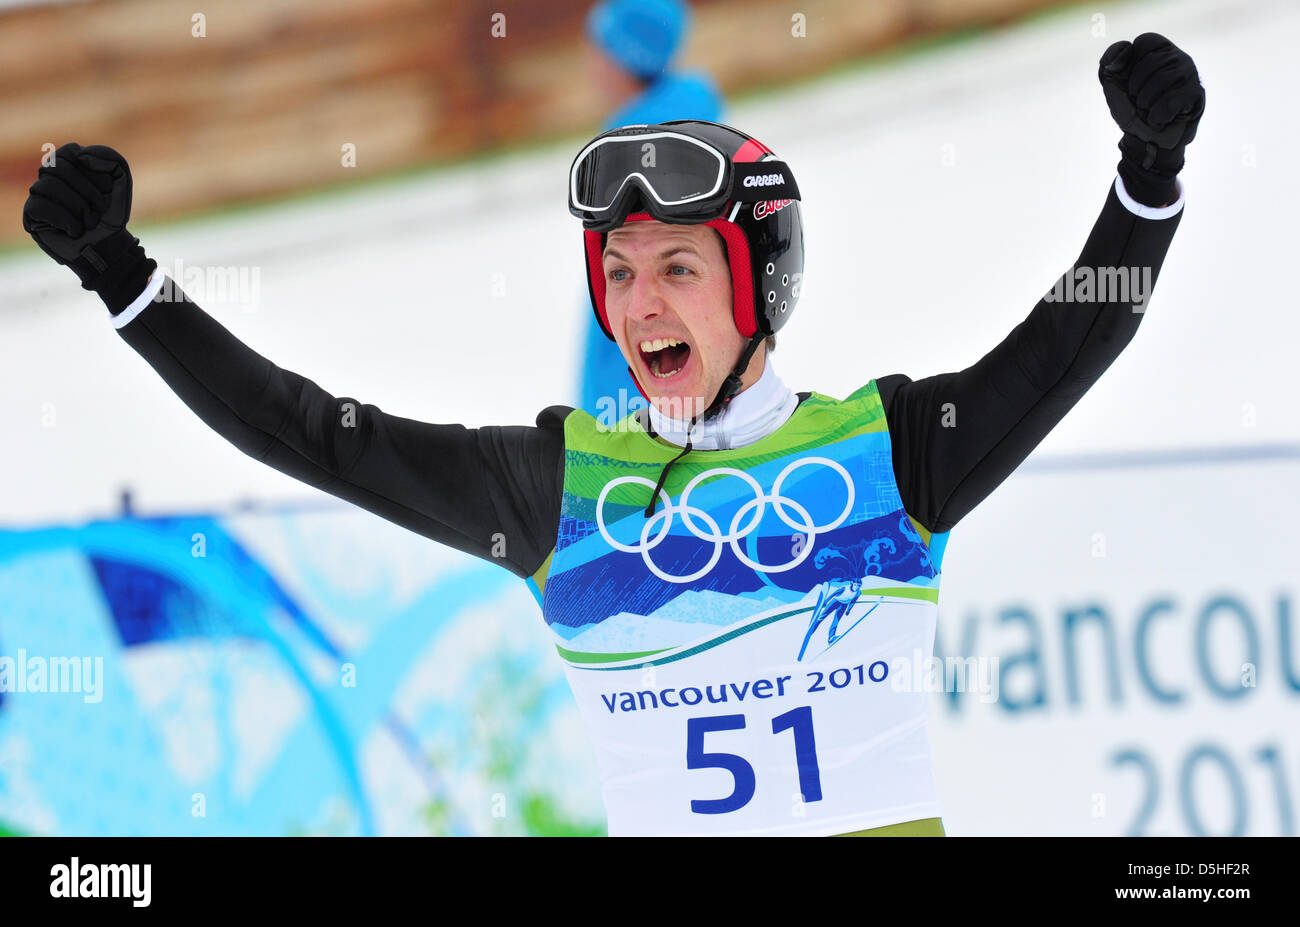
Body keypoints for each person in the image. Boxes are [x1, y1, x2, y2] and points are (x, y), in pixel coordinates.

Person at [22, 34, 1204, 836]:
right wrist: (123, 277)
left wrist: (1146, 176)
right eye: (619, 273)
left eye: (678, 268)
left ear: (757, 293)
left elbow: (1068, 343)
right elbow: (318, 438)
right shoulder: (561, 489)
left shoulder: (886, 455)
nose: (640, 304)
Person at [580, 0, 723, 419]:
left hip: (640, 405)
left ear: (622, 57)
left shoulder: (631, 157)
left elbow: (634, 302)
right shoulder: (694, 133)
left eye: (597, 48)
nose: (590, 63)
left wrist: (608, 420)